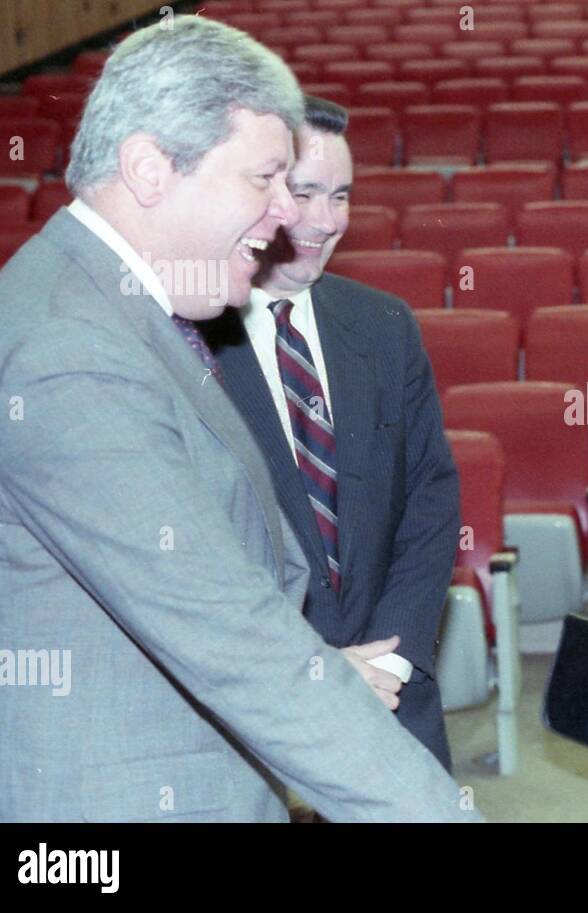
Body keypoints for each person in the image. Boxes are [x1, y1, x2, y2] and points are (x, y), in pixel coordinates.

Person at [0, 16, 476, 823]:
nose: (287, 214)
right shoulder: (69, 351)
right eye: (265, 178)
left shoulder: (123, 318)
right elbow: (227, 633)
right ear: (150, 168)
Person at [204, 96, 458, 771]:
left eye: (341, 195)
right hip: (258, 714)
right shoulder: (191, 340)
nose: (325, 220)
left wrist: (387, 662)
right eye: (305, 192)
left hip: (392, 697)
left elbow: (430, 503)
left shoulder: (385, 325)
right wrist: (317, 671)